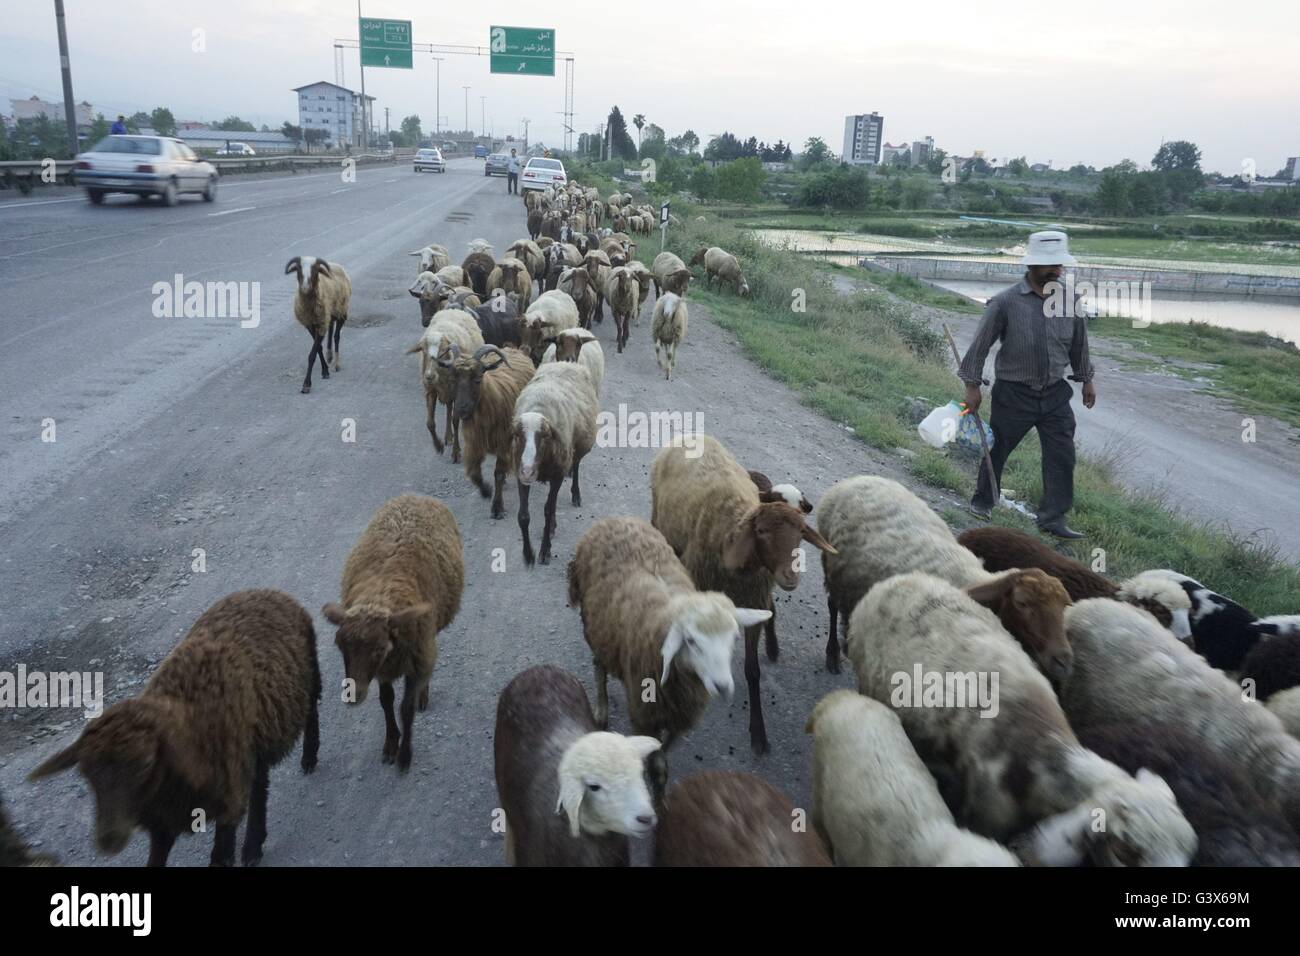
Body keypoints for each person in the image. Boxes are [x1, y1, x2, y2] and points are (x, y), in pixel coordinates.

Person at [957, 230, 1097, 539]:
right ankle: (983, 500)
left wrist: (1086, 379)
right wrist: (972, 386)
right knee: (999, 449)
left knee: (1062, 454)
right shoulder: (1006, 302)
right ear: (1031, 266)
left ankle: (1052, 518)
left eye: (1060, 266)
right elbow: (980, 346)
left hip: (1055, 393)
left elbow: (1079, 345)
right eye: (1050, 266)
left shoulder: (1070, 300)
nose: (1057, 272)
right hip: (1014, 392)